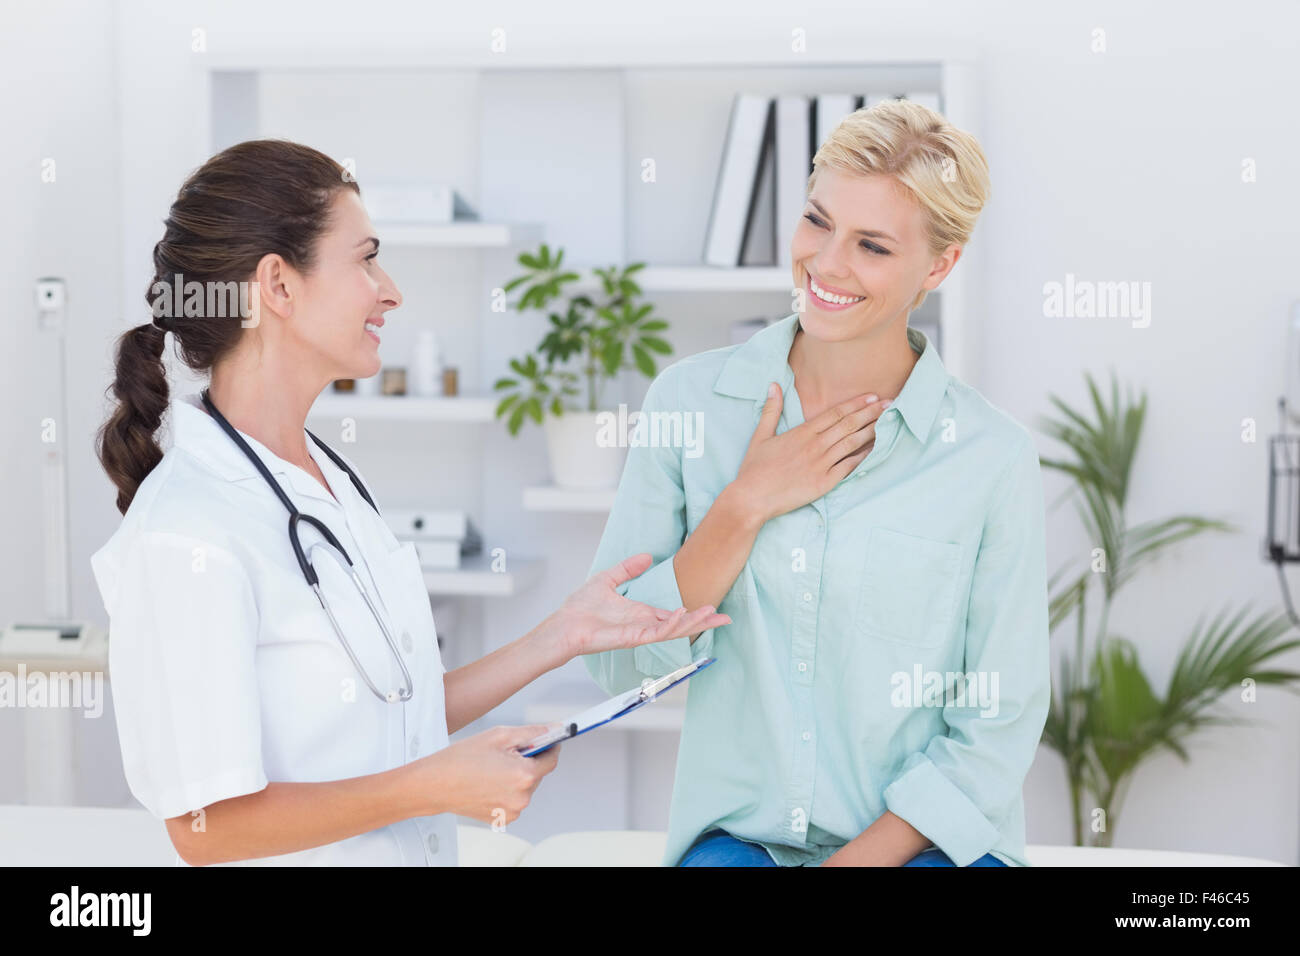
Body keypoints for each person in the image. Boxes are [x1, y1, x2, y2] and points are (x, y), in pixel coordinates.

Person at [91, 139, 729, 866]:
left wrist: (560, 638)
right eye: (364, 258)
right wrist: (433, 786)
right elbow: (208, 826)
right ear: (278, 285)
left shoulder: (326, 476)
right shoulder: (186, 534)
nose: (389, 290)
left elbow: (391, 711)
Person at [584, 100, 1050, 867]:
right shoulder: (688, 405)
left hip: (922, 845)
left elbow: (997, 717)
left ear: (939, 265)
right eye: (816, 221)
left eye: (871, 245)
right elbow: (615, 661)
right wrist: (745, 504)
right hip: (741, 842)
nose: (827, 263)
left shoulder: (990, 457)